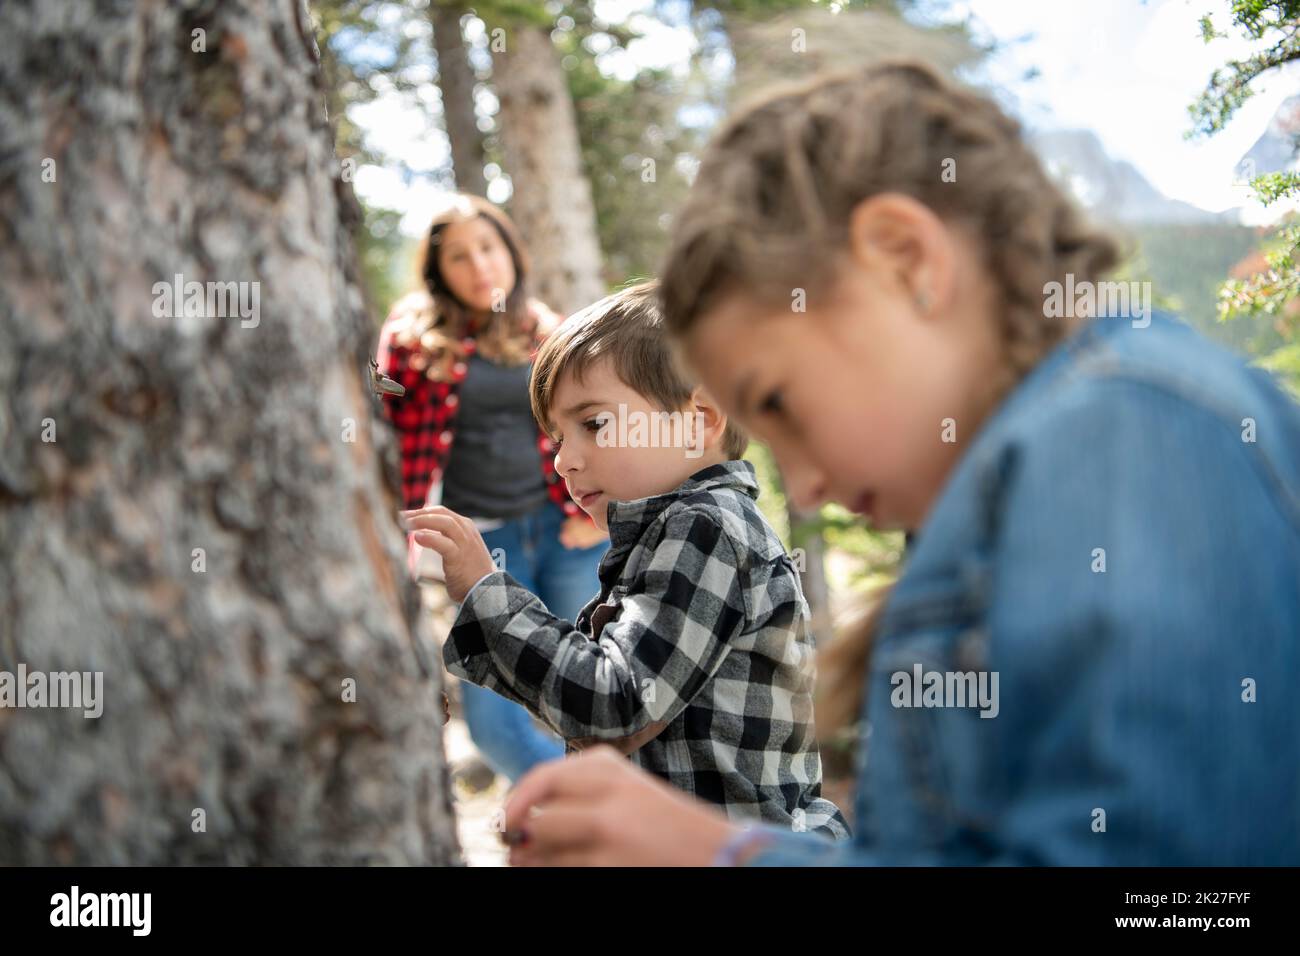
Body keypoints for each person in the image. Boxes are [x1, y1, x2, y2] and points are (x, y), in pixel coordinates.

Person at [489, 60, 1300, 866]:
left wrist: (724, 855)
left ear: (905, 260)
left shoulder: (1130, 433)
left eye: (781, 402)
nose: (803, 484)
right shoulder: (1034, 473)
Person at [404, 282, 850, 839]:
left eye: (592, 424)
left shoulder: (707, 529)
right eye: (556, 438)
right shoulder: (670, 535)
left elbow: (615, 707)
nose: (564, 460)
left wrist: (486, 593)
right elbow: (594, 706)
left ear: (700, 419)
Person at [377, 193, 609, 784]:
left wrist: (599, 510)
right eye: (459, 257)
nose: (479, 266)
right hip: (483, 544)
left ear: (511, 252)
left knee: (589, 696)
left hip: (566, 534)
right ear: (437, 272)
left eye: (488, 248)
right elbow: (382, 439)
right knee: (491, 717)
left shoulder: (550, 332)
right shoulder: (411, 340)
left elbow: (593, 428)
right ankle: (571, 812)